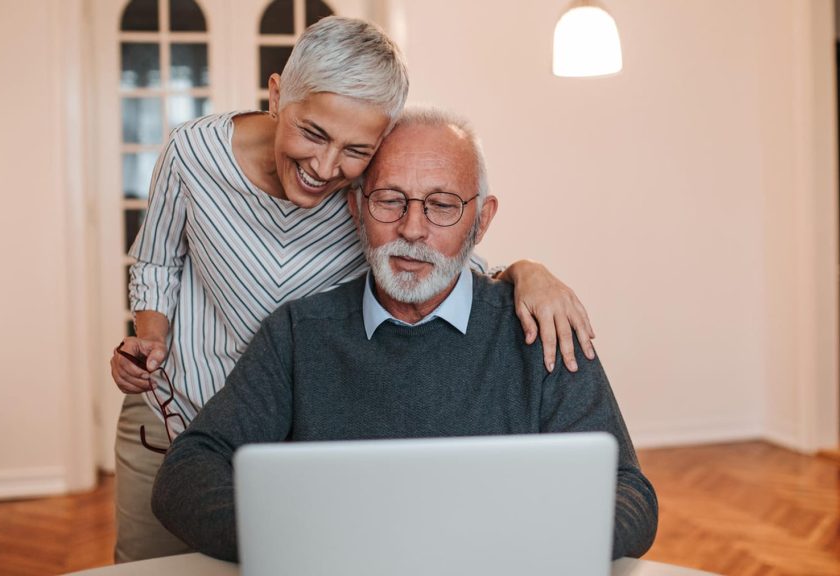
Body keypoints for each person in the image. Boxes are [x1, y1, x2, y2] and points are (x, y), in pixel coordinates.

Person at [109, 16, 596, 562]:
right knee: (147, 564)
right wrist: (148, 339)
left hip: (282, 427)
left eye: (355, 149)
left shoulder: (365, 195)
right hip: (176, 406)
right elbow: (156, 261)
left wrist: (529, 272)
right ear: (276, 97)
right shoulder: (193, 153)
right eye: (312, 133)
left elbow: (445, 254)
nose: (324, 166)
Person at [151, 107, 658, 562]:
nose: (412, 229)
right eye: (390, 200)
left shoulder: (542, 330)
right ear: (356, 209)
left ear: (481, 221)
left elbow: (629, 496)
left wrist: (505, 551)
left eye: (441, 206)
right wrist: (308, 545)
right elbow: (186, 475)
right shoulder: (298, 334)